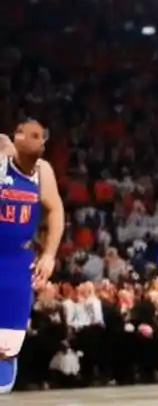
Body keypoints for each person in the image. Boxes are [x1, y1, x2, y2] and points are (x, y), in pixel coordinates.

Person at [0, 119, 64, 393]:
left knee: (7, 349)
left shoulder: (42, 172)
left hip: (17, 260)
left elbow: (56, 210)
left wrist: (49, 254)